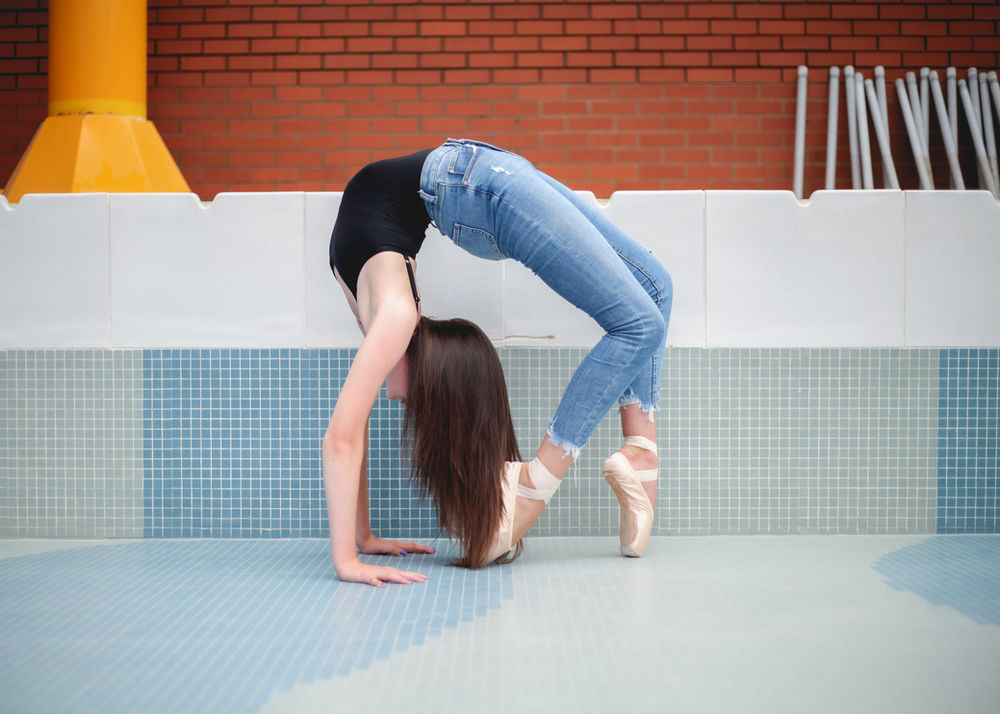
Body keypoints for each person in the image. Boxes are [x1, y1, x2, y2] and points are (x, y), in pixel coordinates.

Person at [325, 138, 672, 588]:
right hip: (477, 173)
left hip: (478, 185)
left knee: (642, 319)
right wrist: (362, 538)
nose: (400, 400)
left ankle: (535, 486)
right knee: (653, 291)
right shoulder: (383, 314)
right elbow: (352, 429)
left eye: (417, 399)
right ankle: (641, 455)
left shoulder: (396, 317)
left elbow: (341, 438)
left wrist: (346, 562)